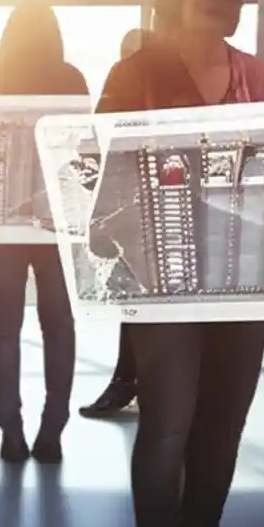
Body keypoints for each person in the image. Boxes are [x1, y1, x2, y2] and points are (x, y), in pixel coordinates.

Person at [96, 0, 264, 527]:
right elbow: (103, 175)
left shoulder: (256, 75)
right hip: (161, 279)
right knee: (168, 424)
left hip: (243, 277)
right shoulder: (136, 71)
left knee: (223, 426)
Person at [0, 1, 87, 463]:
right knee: (58, 324)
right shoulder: (70, 79)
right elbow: (83, 154)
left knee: (4, 326)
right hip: (55, 222)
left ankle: (10, 429)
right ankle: (53, 430)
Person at [79, 26, 156, 419]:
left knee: (141, 300)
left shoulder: (141, 85)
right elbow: (93, 141)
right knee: (133, 299)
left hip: (150, 208)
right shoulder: (125, 84)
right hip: (131, 207)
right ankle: (131, 382)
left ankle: (132, 382)